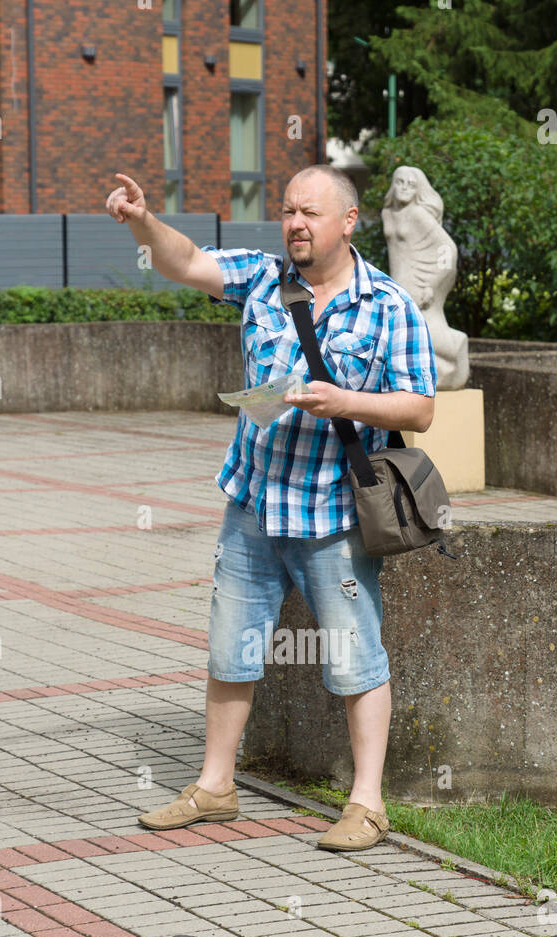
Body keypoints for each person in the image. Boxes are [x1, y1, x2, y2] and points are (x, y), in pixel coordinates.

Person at [104, 164, 436, 851]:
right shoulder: (262, 277)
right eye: (288, 211)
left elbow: (420, 408)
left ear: (348, 221)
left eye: (309, 213)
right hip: (253, 507)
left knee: (355, 660)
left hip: (334, 516)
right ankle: (215, 786)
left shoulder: (388, 305)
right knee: (230, 652)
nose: (294, 224)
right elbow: (188, 261)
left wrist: (344, 401)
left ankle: (366, 804)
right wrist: (143, 221)